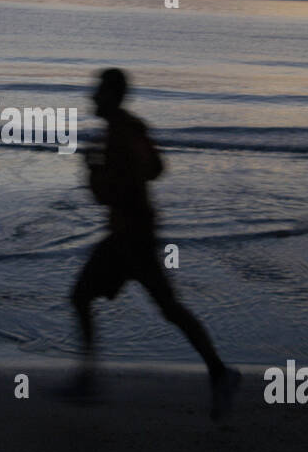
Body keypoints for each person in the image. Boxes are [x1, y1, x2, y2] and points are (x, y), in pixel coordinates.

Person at [68, 68, 241, 420]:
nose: (91, 97)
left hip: (129, 238)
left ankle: (89, 380)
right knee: (168, 308)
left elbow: (109, 193)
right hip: (135, 234)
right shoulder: (130, 128)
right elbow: (158, 169)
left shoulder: (119, 134)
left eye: (97, 91)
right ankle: (220, 373)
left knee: (84, 296)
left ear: (111, 96)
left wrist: (91, 169)